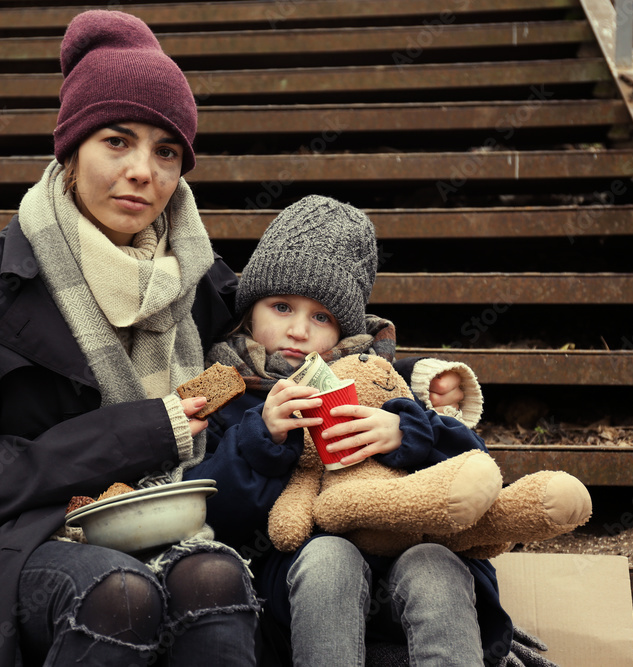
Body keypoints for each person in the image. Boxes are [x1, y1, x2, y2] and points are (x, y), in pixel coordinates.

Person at [0, 10, 260, 667]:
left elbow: (299, 335)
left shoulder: (200, 283)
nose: (144, 170)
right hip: (3, 551)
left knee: (215, 578)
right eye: (117, 141)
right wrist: (138, 431)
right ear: (72, 146)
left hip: (167, 532)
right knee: (120, 590)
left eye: (167, 151)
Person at [183, 195, 512, 666]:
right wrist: (261, 441)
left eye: (322, 317)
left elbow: (474, 473)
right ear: (251, 309)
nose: (299, 330)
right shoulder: (223, 391)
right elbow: (208, 513)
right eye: (281, 306)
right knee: (329, 556)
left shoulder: (377, 375)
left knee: (435, 565)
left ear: (344, 331)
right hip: (300, 582)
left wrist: (407, 434)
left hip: (407, 562)